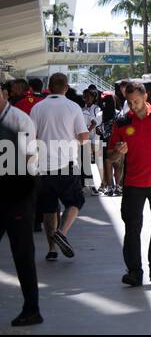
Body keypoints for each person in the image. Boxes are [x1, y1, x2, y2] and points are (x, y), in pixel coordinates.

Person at [107, 80, 151, 286]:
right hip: (132, 183)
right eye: (130, 102)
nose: (133, 106)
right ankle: (134, 271)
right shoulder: (121, 122)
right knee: (132, 228)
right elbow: (110, 155)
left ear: (145, 97)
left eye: (137, 101)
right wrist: (117, 152)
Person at [29, 74, 90, 262]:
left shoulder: (37, 108)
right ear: (66, 87)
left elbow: (30, 137)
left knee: (49, 209)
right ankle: (62, 232)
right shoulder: (73, 107)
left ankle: (52, 249)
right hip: (66, 165)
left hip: (43, 167)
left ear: (49, 87)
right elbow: (83, 136)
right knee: (76, 201)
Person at [0, 82, 42, 325]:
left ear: (4, 94)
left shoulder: (19, 120)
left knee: (23, 253)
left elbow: (24, 158)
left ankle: (32, 308)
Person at [80, 87, 103, 194]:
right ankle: (90, 184)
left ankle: (103, 184)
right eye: (85, 96)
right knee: (87, 162)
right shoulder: (82, 109)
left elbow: (95, 123)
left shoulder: (96, 109)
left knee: (98, 163)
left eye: (88, 96)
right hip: (86, 140)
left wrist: (87, 131)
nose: (86, 98)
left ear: (94, 98)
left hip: (95, 139)